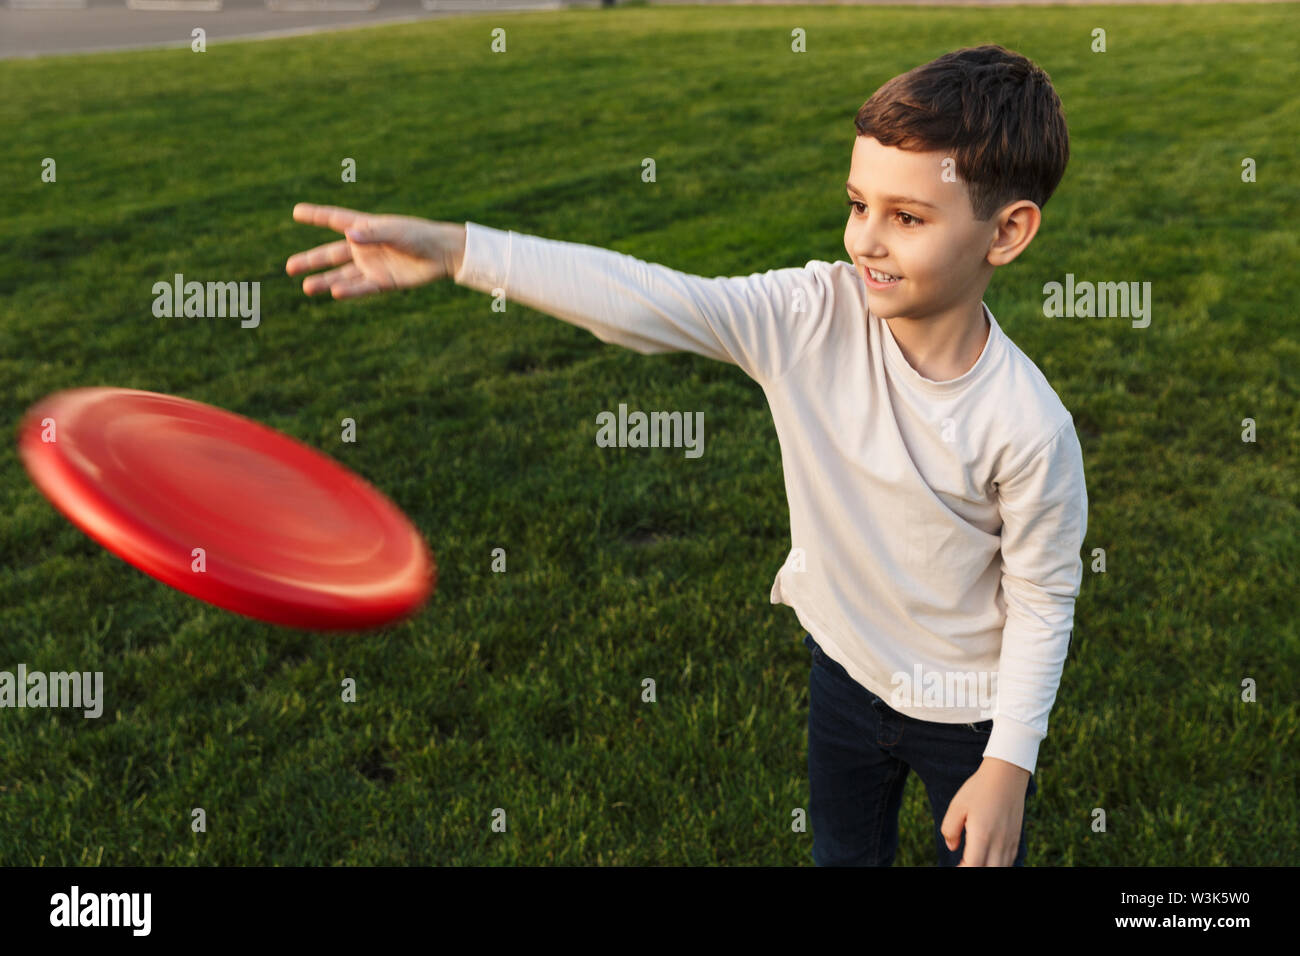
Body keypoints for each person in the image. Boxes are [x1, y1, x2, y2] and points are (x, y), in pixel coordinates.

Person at [284, 44, 1087, 867]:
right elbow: (654, 301)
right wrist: (462, 251)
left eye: (907, 218)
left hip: (966, 711)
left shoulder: (1026, 426)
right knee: (844, 854)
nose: (865, 242)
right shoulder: (811, 315)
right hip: (843, 669)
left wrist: (1007, 763)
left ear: (1008, 232)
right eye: (857, 205)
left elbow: (1042, 595)